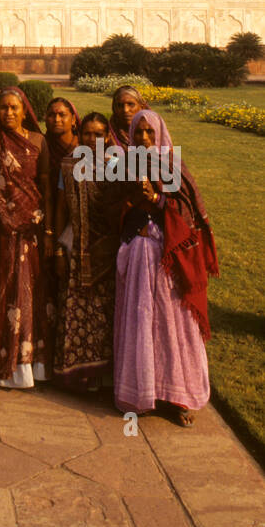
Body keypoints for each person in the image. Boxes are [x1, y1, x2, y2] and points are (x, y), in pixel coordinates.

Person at [113, 110, 217, 427]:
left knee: (175, 326)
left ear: (159, 133)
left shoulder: (172, 163)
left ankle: (178, 397)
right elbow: (110, 207)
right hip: (138, 253)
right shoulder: (124, 165)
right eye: (138, 132)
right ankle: (143, 393)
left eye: (149, 132)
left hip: (168, 257)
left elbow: (188, 212)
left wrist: (157, 198)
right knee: (142, 322)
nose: (144, 138)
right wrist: (131, 207)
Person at [0, 86, 52, 389]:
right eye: (3, 108)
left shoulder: (37, 142)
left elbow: (44, 186)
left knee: (31, 293)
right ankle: (1, 360)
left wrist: (47, 232)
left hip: (31, 226)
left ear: (24, 111)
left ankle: (31, 363)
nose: (7, 113)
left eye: (13, 108)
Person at [53, 111, 126, 391]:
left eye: (98, 134)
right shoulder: (69, 164)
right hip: (76, 245)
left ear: (107, 136)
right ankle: (80, 376)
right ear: (79, 134)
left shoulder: (118, 164)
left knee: (107, 313)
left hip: (109, 250)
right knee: (76, 311)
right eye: (87, 134)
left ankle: (106, 377)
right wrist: (58, 247)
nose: (92, 139)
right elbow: (61, 207)